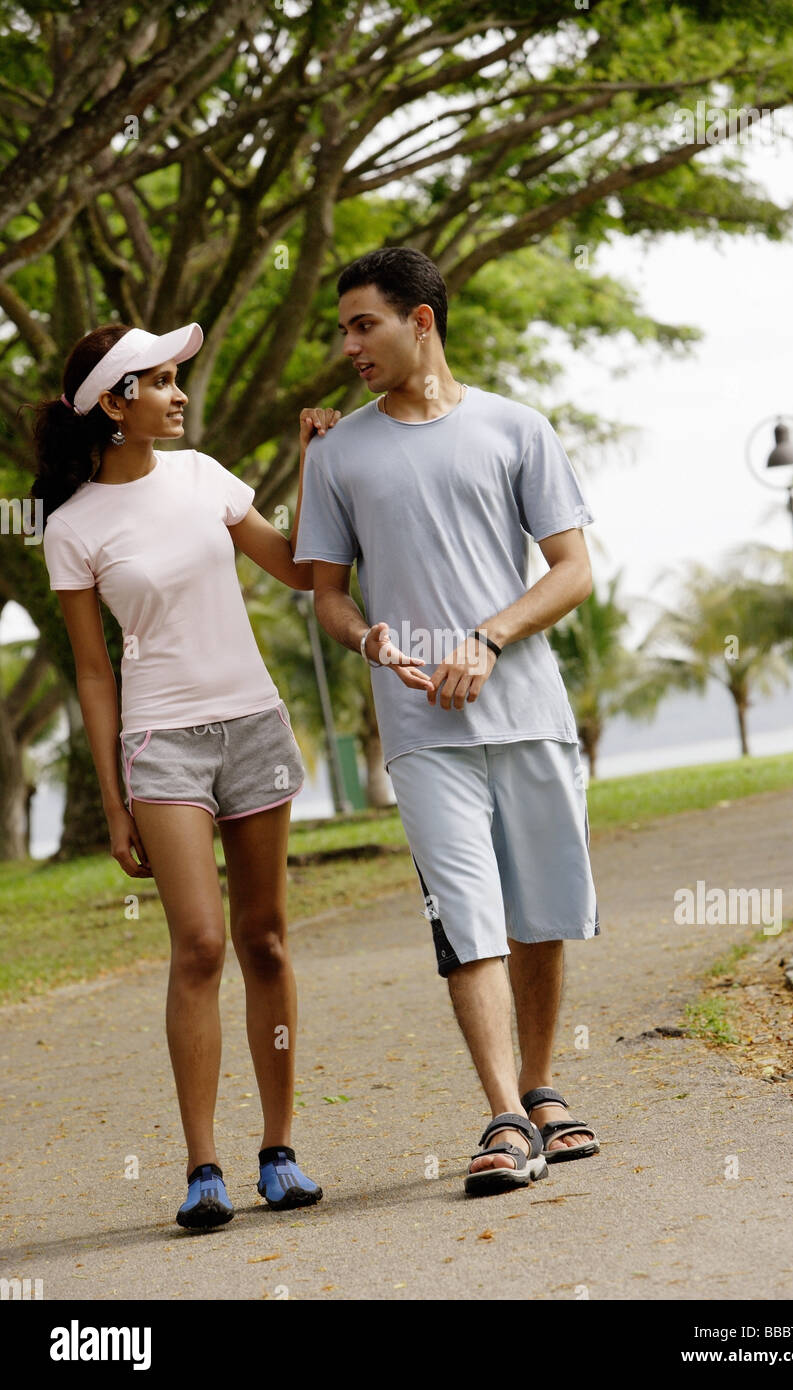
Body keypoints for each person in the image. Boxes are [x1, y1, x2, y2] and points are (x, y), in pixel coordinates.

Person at [295, 247, 601, 1197]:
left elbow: (573, 569)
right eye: (343, 328)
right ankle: (504, 1114)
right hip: (421, 732)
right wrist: (367, 643)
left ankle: (543, 1091)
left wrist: (491, 636)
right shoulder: (336, 452)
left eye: (364, 325)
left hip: (528, 712)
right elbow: (327, 597)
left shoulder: (516, 428)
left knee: (541, 911)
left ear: (420, 320)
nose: (349, 344)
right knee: (467, 919)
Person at [32, 321, 334, 1227]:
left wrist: (310, 463)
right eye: (159, 381)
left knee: (267, 941)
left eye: (177, 378)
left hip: (253, 724)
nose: (178, 393)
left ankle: (278, 1150)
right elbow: (93, 670)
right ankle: (204, 1167)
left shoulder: (206, 477)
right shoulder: (73, 527)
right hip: (161, 742)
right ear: (114, 405)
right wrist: (115, 800)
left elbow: (296, 568)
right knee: (200, 944)